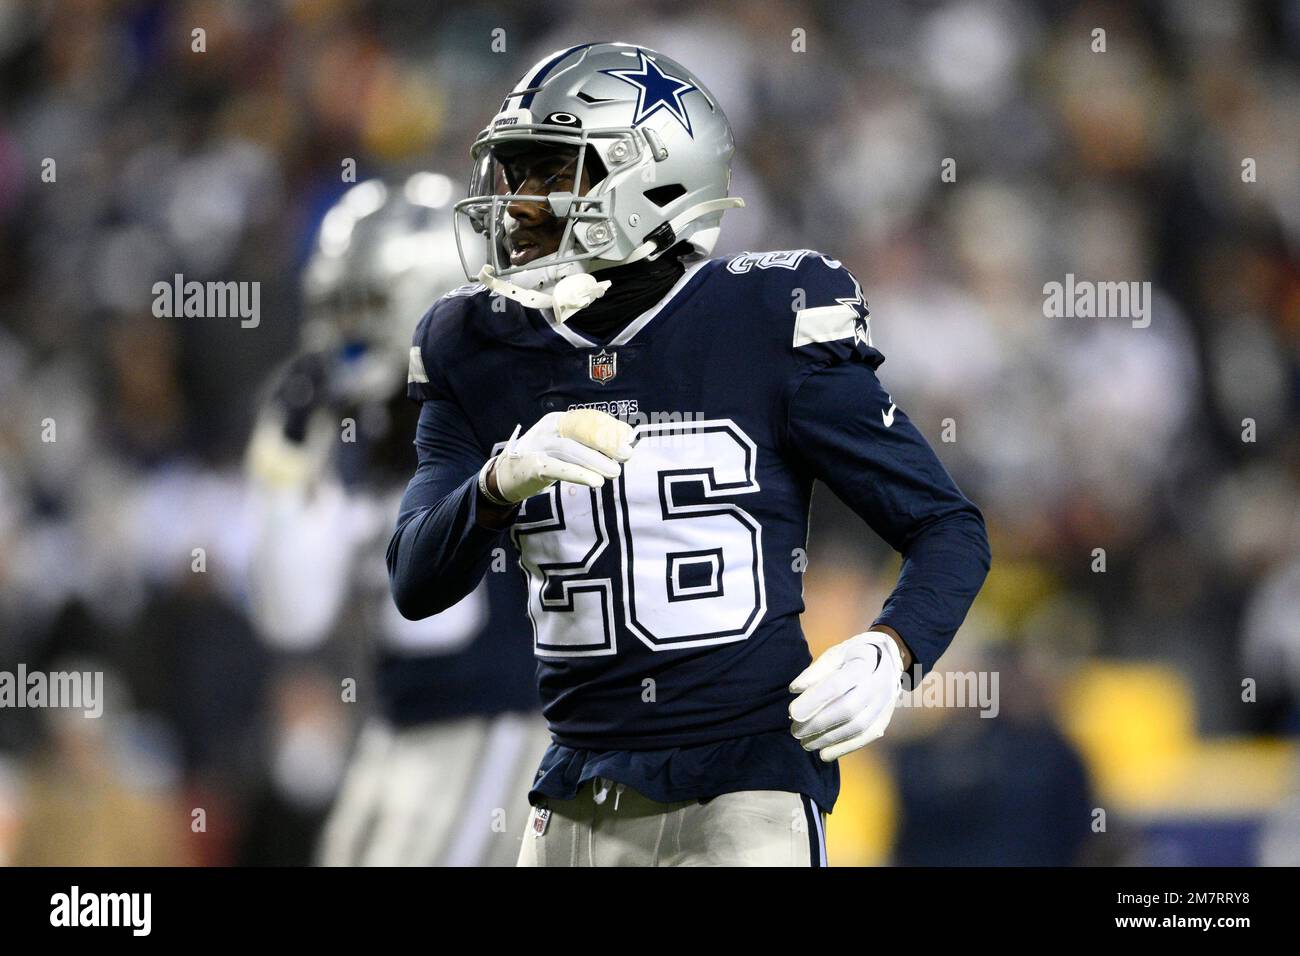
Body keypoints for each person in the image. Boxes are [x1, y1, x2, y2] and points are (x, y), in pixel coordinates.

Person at [388, 43, 990, 866]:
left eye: (552, 174)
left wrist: (894, 648)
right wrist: (495, 485)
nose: (518, 207)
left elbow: (947, 527)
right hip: (575, 784)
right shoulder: (474, 343)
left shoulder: (765, 315)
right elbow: (415, 581)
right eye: (513, 175)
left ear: (655, 180)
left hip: (746, 781)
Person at [247, 175, 549, 866]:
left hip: (497, 717)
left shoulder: (497, 406)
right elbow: (291, 617)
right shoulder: (357, 429)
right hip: (398, 724)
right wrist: (282, 474)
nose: (342, 332)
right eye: (336, 307)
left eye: (365, 307)